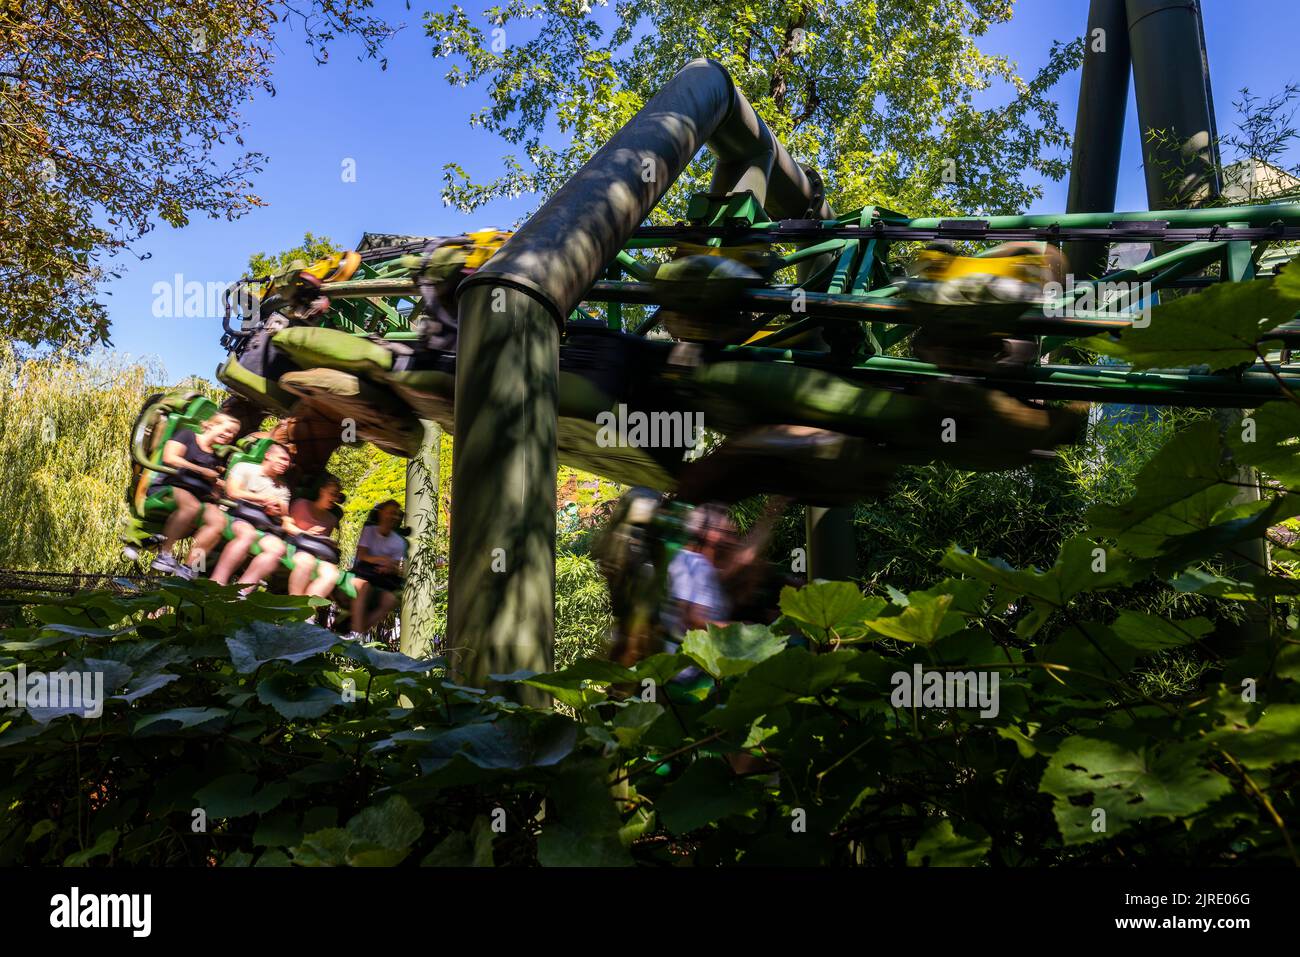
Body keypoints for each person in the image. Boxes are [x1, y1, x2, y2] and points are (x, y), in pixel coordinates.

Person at [150, 412, 240, 578]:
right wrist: (201, 470)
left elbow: (211, 485)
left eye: (233, 434)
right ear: (211, 425)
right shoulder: (188, 435)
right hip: (174, 484)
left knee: (218, 522)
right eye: (227, 430)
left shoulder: (215, 458)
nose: (229, 436)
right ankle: (164, 555)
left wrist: (219, 485)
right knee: (191, 507)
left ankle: (192, 567)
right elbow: (170, 458)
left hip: (199, 495)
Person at [209, 442, 294, 592]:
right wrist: (262, 499)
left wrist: (276, 511)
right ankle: (217, 581)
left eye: (287, 461)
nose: (285, 464)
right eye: (281, 458)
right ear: (268, 455)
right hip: (239, 516)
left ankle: (242, 591)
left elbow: (284, 514)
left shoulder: (283, 488)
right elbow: (232, 492)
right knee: (247, 535)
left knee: (278, 549)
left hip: (265, 525)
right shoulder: (245, 468)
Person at [349, 500, 406, 638]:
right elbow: (362, 556)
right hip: (361, 576)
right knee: (364, 587)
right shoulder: (369, 531)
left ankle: (360, 632)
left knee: (391, 600)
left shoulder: (399, 542)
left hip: (382, 580)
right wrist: (382, 560)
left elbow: (398, 568)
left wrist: (389, 568)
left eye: (396, 515)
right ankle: (355, 631)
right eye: (390, 513)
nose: (393, 517)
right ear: (381, 513)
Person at [286, 474, 344, 599]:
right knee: (307, 562)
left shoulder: (332, 519)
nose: (334, 499)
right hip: (298, 547)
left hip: (320, 554)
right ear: (322, 491)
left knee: (331, 575)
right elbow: (287, 527)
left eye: (337, 496)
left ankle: (308, 612)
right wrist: (305, 533)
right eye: (332, 494)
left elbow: (322, 541)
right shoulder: (301, 504)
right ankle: (294, 602)